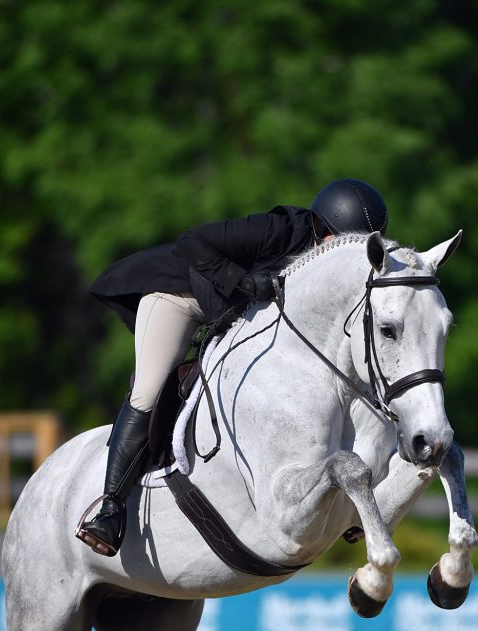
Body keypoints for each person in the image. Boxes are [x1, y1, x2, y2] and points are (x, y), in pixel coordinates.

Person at [76, 178, 389, 556]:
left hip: (229, 313)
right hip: (180, 294)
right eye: (342, 244)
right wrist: (242, 281)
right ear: (321, 228)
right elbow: (192, 242)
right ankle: (109, 508)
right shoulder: (280, 231)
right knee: (149, 387)